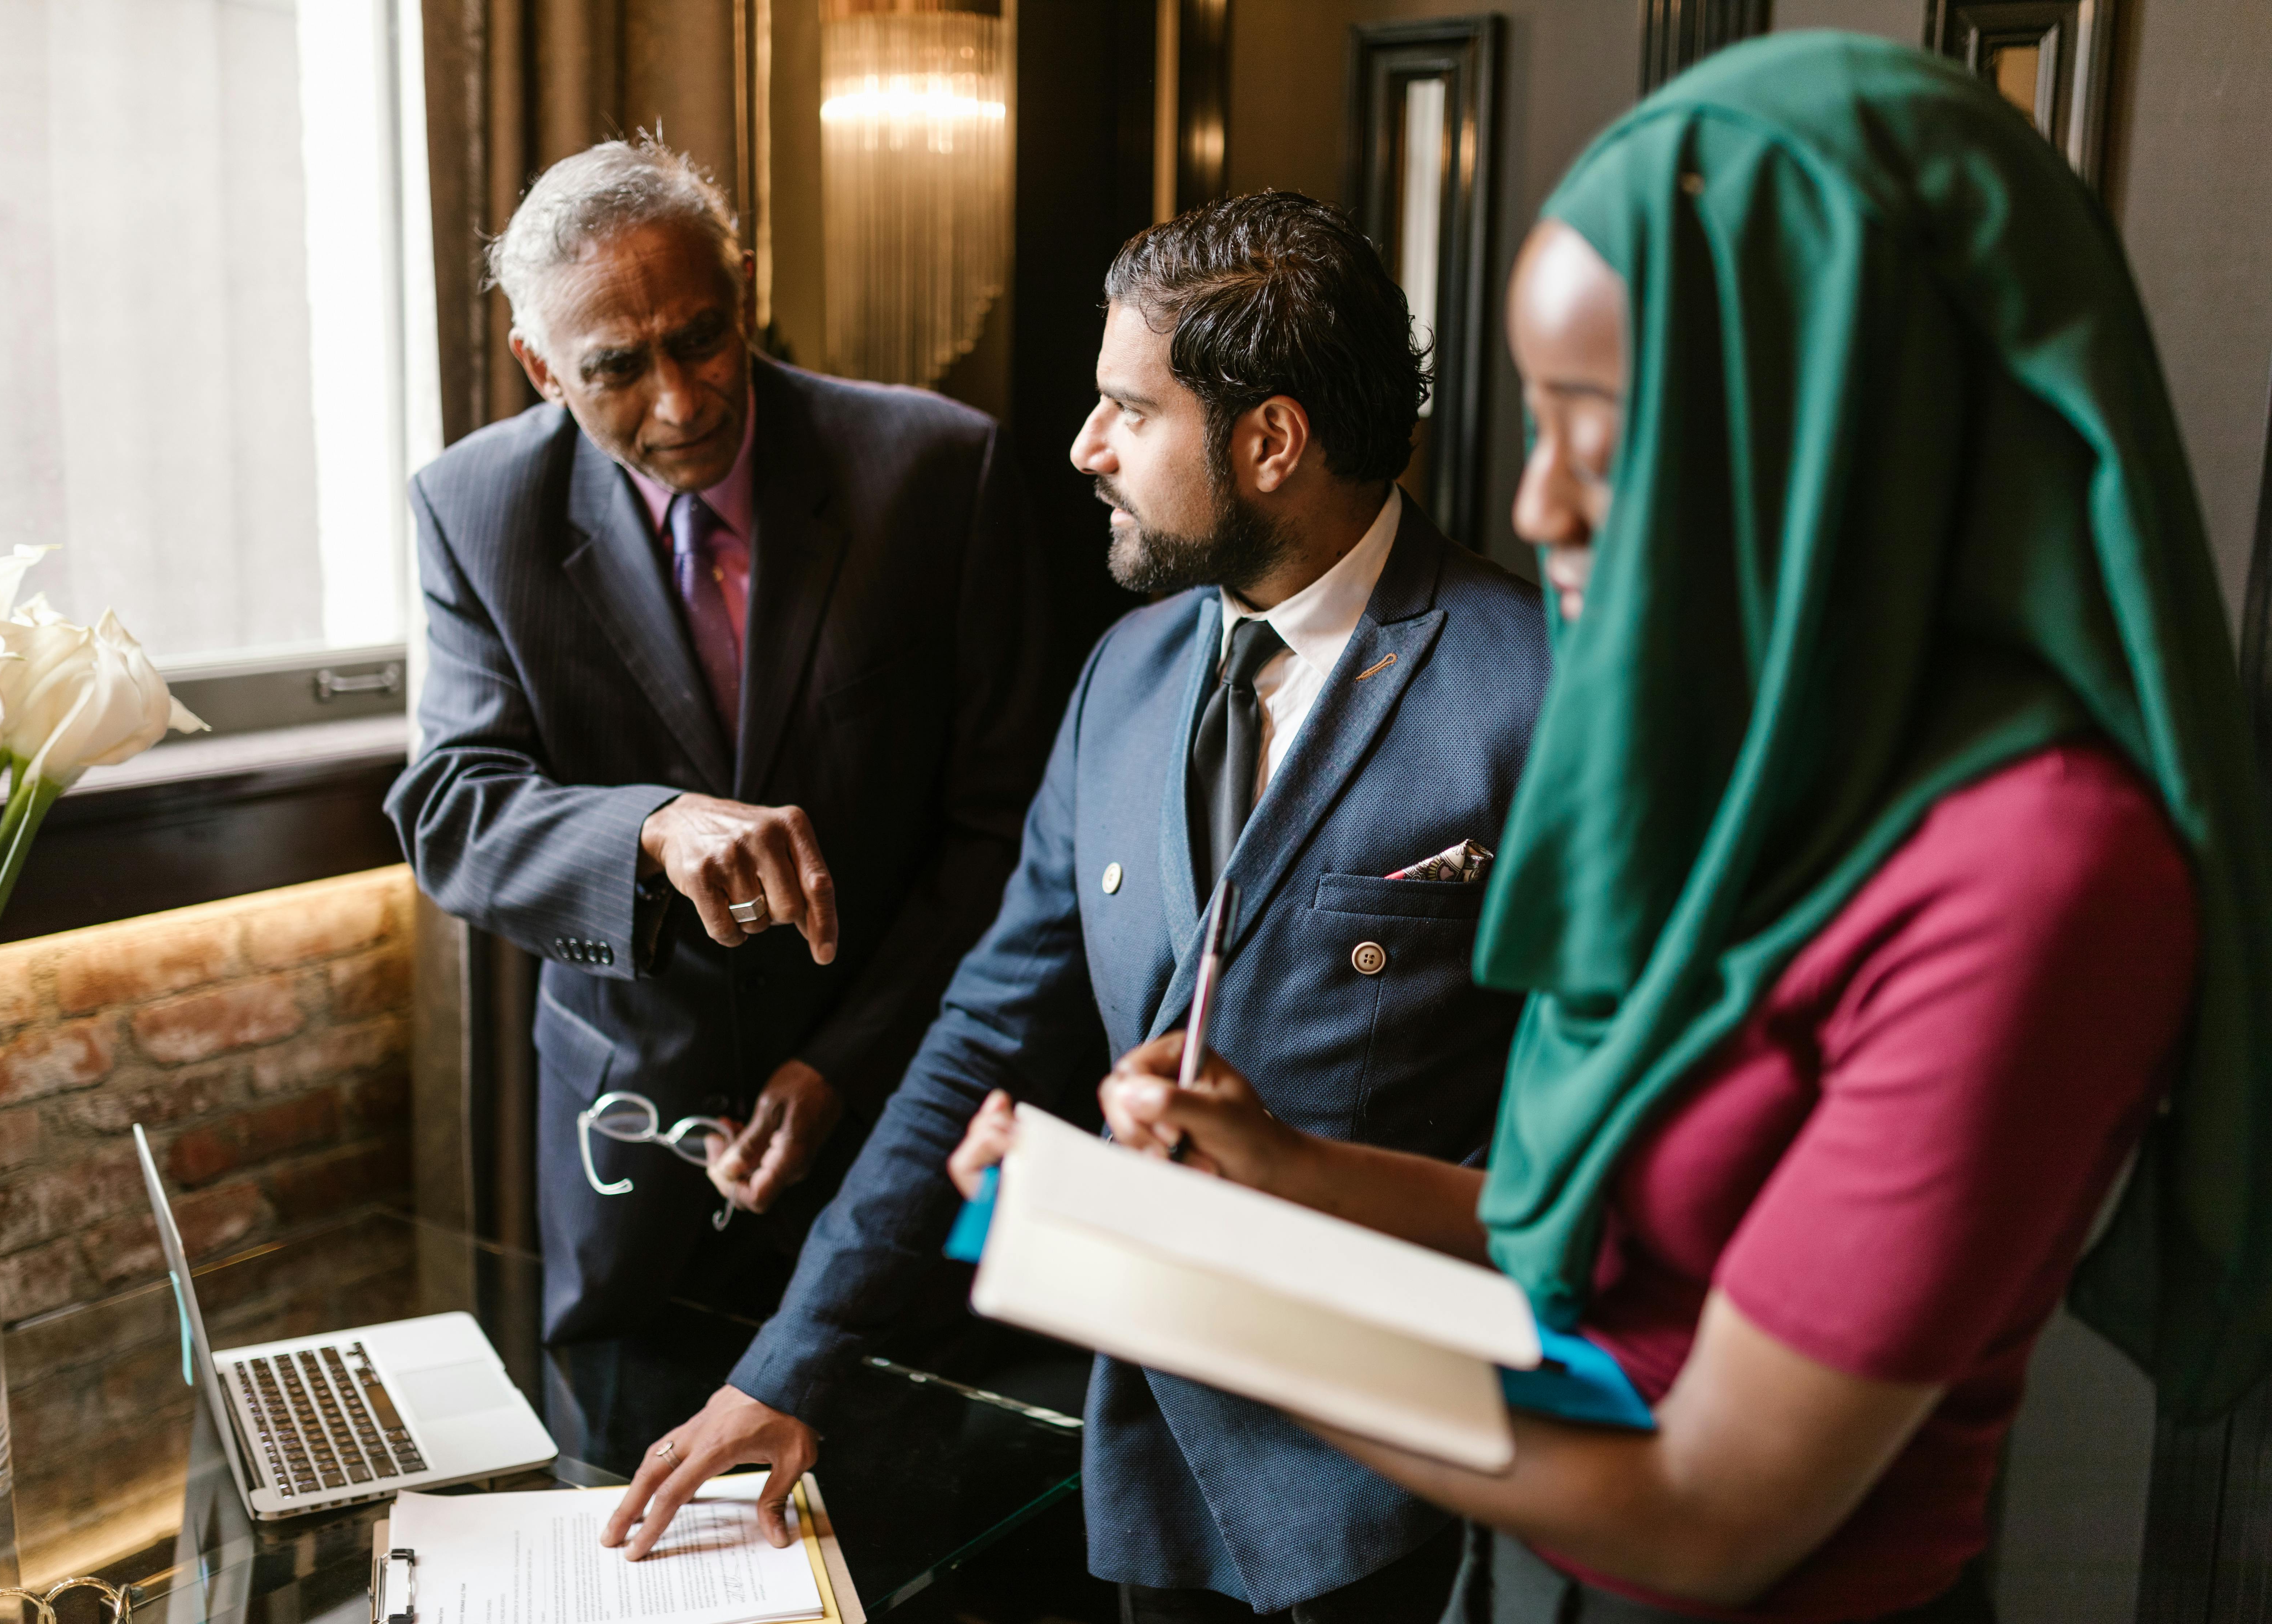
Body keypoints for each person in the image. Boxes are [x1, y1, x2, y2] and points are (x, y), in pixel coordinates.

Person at [1085, 33, 2272, 1624]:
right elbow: (1585, 1221)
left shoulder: (2047, 871)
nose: (1538, 503)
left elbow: (1705, 1509)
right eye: (1536, 417)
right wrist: (1280, 1160)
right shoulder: (1756, 755)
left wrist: (1173, 1284)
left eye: (1606, 425)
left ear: (1832, 414)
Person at [598, 192, 1551, 1619]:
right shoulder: (1124, 675)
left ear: (1270, 442)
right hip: (1149, 1486)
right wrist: (792, 1364)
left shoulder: (1542, 694)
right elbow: (981, 1035)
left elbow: (1581, 1173)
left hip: (1419, 1503)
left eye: (1126, 410)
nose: (1084, 447)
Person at [386, 137, 1063, 1348]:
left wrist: (847, 1066)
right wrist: (649, 828)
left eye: (701, 337)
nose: (683, 402)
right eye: (617, 369)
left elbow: (1005, 827)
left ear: (742, 291)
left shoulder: (937, 472)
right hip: (626, 1136)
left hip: (896, 1105)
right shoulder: (473, 508)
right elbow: (452, 805)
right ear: (541, 369)